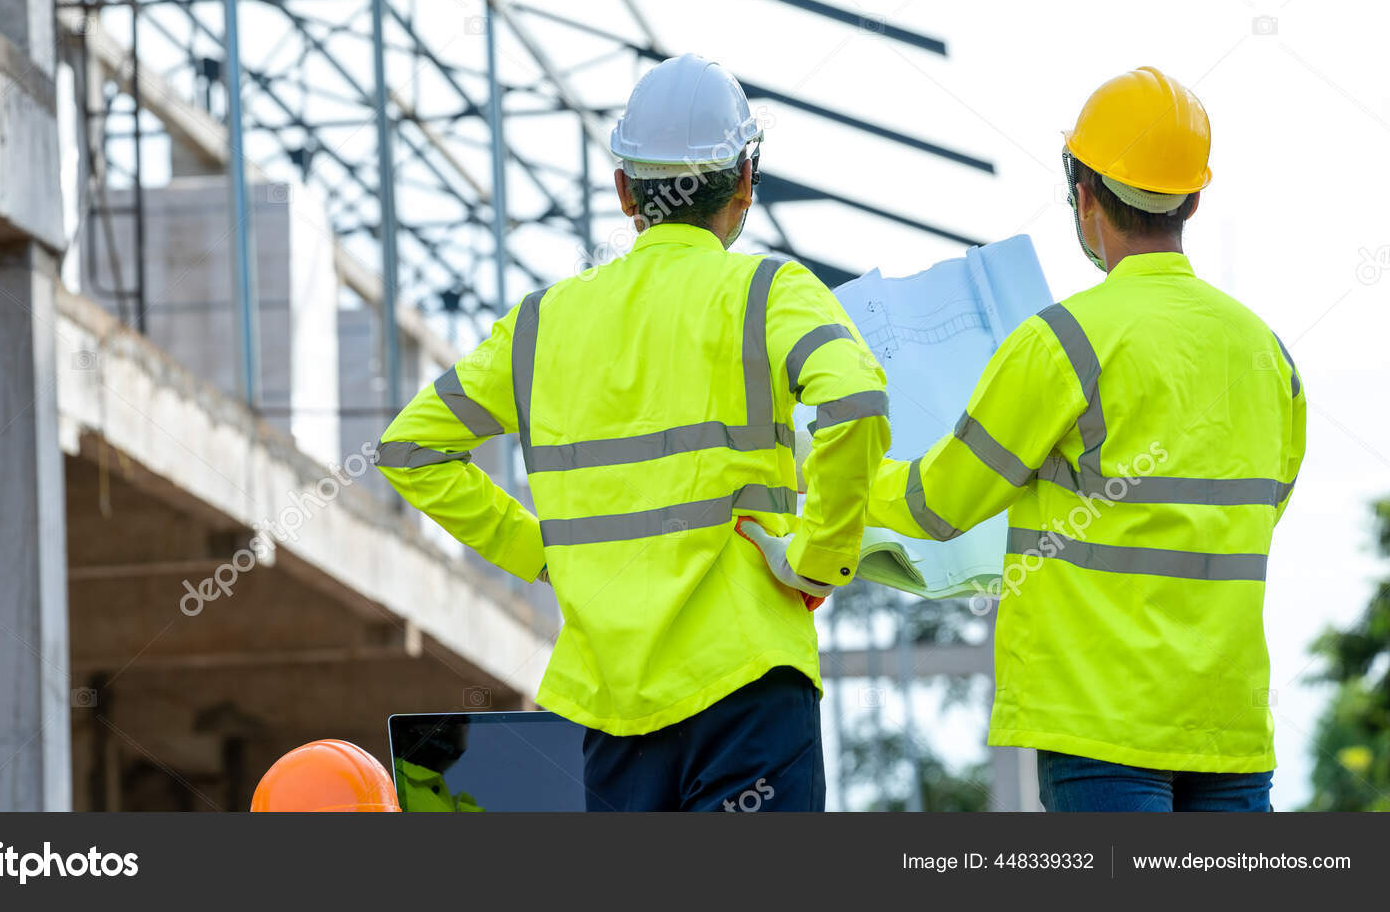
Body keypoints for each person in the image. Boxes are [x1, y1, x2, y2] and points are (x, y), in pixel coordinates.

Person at [375, 54, 890, 812]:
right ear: (745, 181)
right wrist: (822, 557)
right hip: (749, 689)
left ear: (624, 189)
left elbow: (408, 449)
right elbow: (855, 399)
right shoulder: (766, 292)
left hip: (614, 710)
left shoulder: (542, 324)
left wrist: (541, 550)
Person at [857, 66, 1306, 812]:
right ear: (1193, 198)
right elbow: (1257, 510)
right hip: (1228, 728)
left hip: (1100, 730)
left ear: (1084, 194)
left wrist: (836, 476)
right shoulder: (1267, 355)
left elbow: (940, 502)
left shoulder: (1061, 343)